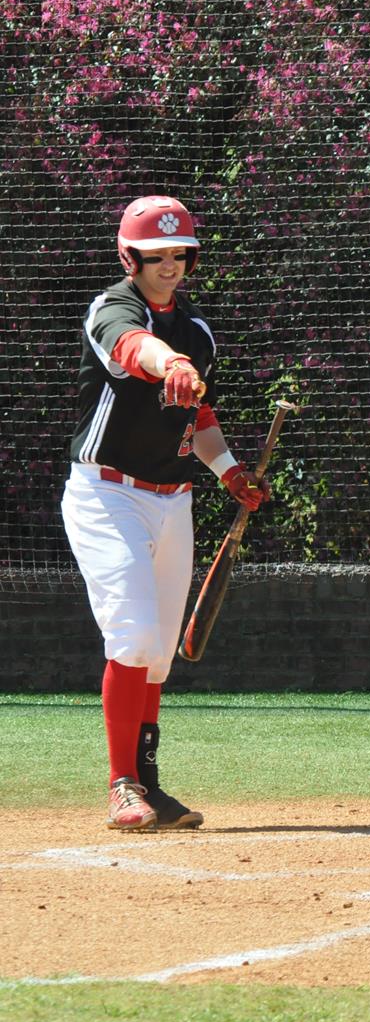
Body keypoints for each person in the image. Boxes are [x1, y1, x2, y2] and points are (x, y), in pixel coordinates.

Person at [61, 194, 270, 830]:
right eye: (156, 254)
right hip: (107, 493)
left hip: (172, 499)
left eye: (180, 253)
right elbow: (131, 350)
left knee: (157, 657)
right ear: (131, 256)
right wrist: (169, 362)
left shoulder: (197, 332)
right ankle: (121, 784)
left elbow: (196, 415)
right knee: (134, 636)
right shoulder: (113, 307)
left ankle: (150, 784)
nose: (170, 264)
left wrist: (229, 471)